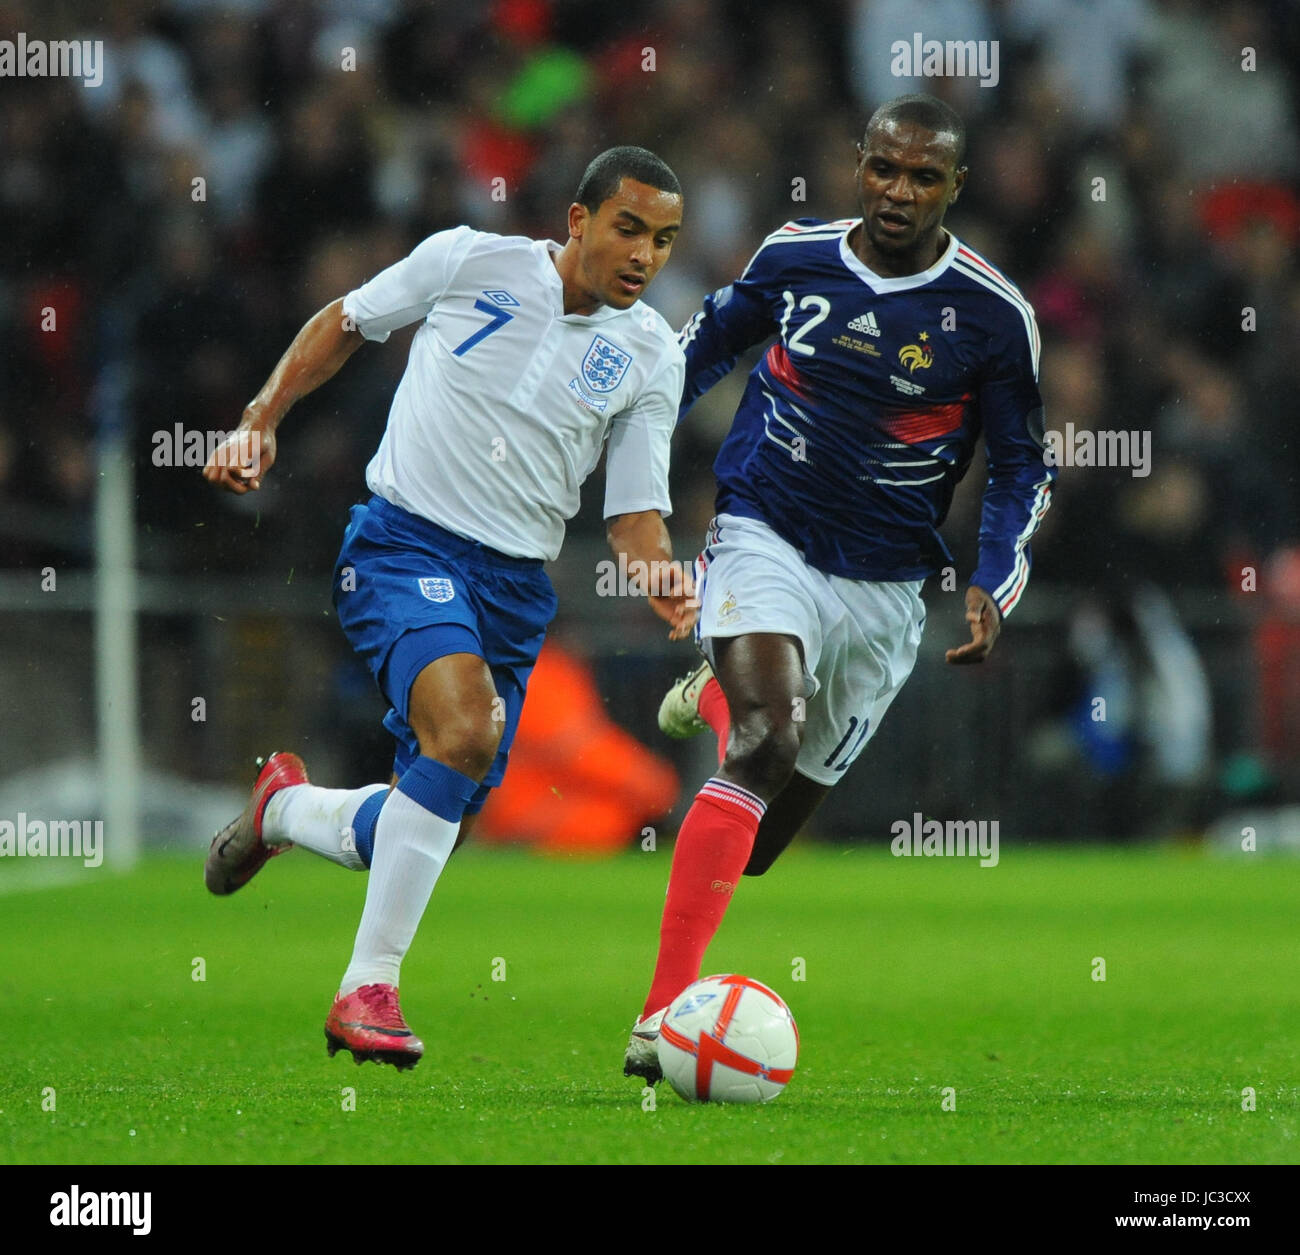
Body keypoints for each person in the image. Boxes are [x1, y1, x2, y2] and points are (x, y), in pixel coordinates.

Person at [201, 146, 695, 1071]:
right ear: (579, 219)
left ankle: (283, 809)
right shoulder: (473, 260)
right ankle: (367, 988)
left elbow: (633, 515)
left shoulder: (651, 356)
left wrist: (662, 576)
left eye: (664, 241)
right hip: (404, 545)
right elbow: (347, 320)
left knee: (424, 814)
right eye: (629, 228)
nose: (644, 255)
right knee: (462, 733)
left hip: (512, 592)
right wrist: (261, 417)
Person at [624, 95, 1056, 1081]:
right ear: (859, 165)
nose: (897, 192)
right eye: (883, 169)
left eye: (922, 177)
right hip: (763, 529)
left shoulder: (992, 315)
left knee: (761, 841)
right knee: (766, 738)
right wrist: (630, 466)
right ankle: (656, 1022)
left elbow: (1024, 465)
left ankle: (726, 683)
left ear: (956, 186)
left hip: (884, 589)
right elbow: (699, 354)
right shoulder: (795, 256)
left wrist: (994, 579)